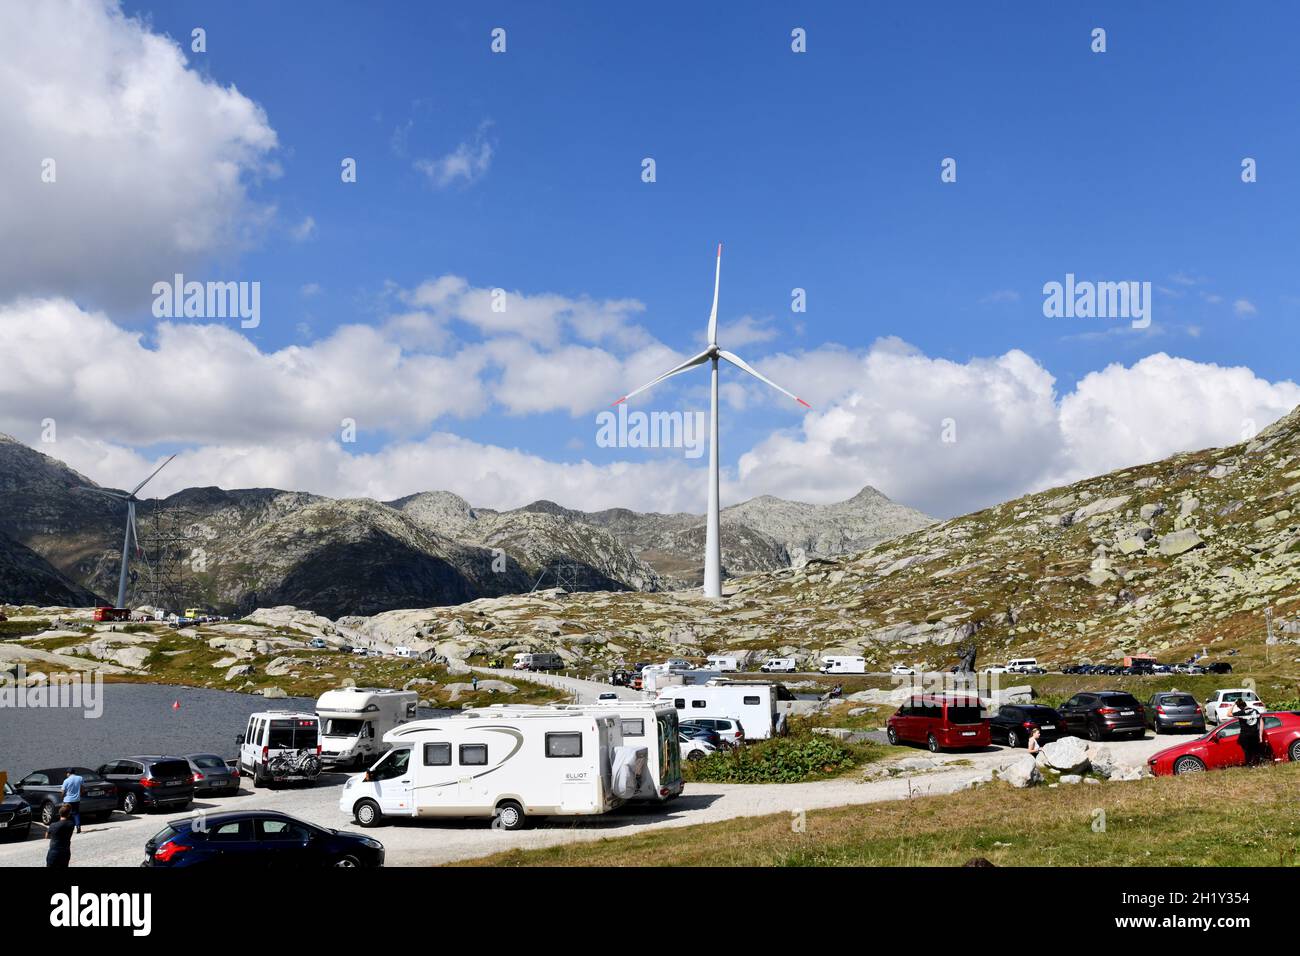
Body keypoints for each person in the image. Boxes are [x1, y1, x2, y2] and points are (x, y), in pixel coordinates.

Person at [1233, 699, 1262, 766]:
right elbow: (1261, 721)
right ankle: (1256, 764)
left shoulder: (1241, 712)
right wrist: (1260, 735)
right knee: (1255, 750)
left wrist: (1233, 704)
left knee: (1247, 751)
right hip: (1254, 734)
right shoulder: (1255, 711)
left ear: (1240, 706)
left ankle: (1249, 765)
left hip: (1245, 735)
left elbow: (1228, 714)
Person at [61, 768, 83, 833]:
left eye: (67, 773)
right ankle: (78, 826)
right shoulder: (80, 778)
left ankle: (66, 828)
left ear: (68, 773)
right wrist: (80, 795)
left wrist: (62, 798)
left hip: (67, 800)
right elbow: (82, 788)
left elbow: (62, 791)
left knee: (66, 814)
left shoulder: (66, 780)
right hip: (76, 799)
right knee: (76, 813)